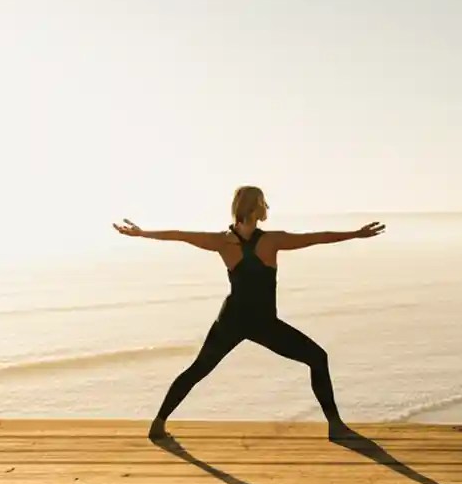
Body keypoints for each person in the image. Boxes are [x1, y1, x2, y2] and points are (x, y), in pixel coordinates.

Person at [112, 185, 385, 441]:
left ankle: (158, 423)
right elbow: (317, 238)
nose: (267, 207)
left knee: (199, 369)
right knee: (317, 358)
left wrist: (143, 233)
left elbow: (181, 235)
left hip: (235, 320)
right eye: (263, 203)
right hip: (259, 323)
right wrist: (355, 234)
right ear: (254, 208)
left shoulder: (224, 241)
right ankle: (336, 427)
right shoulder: (270, 241)